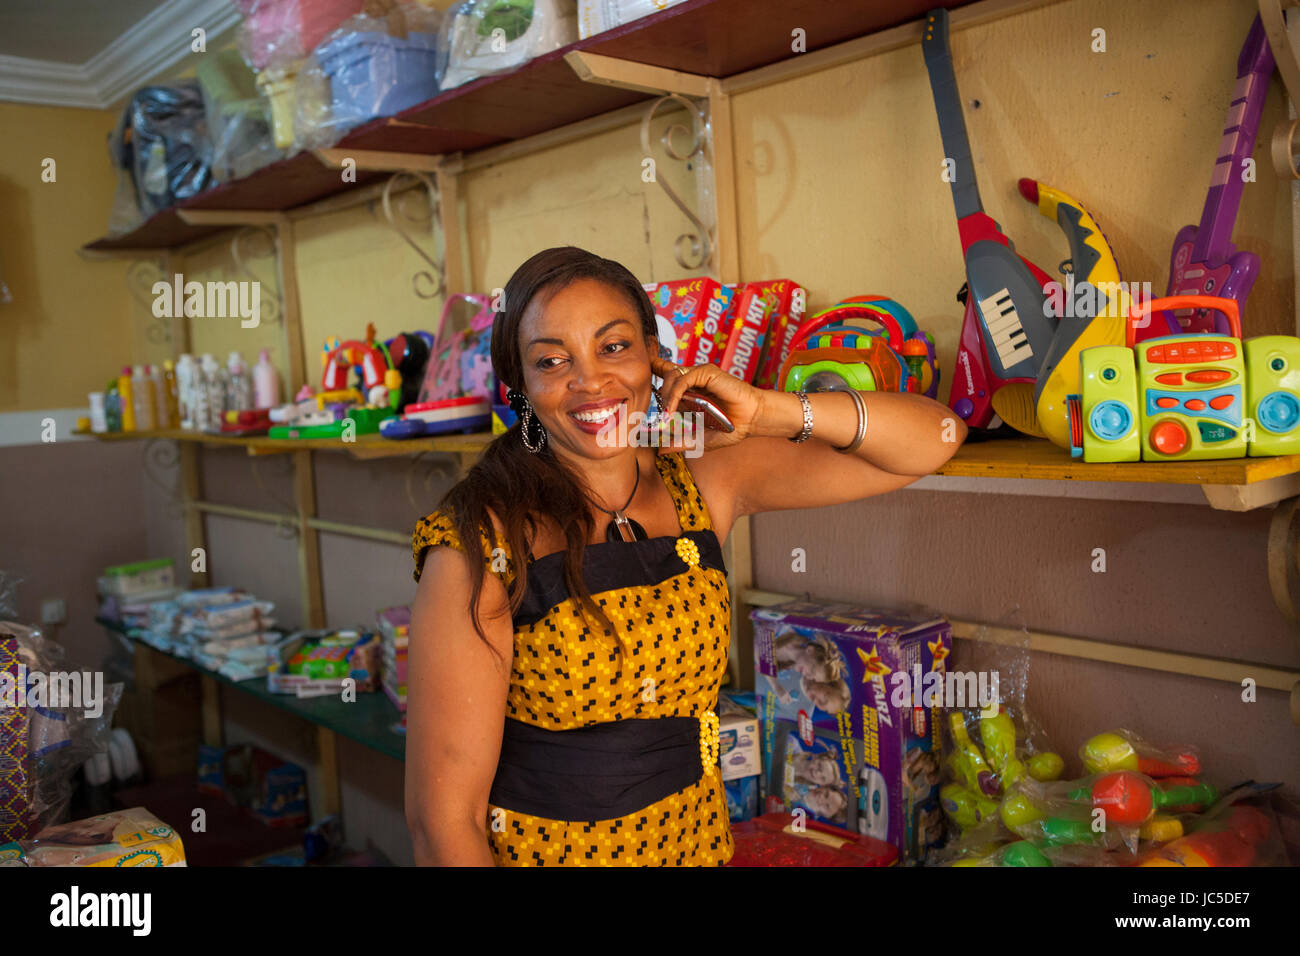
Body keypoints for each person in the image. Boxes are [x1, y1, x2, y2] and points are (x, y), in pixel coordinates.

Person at [405, 246, 966, 866]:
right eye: (552, 360)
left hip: (699, 849)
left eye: (613, 347)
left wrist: (766, 410)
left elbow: (936, 439)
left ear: (655, 356)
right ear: (521, 387)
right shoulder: (478, 542)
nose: (590, 381)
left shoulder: (700, 480)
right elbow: (443, 823)